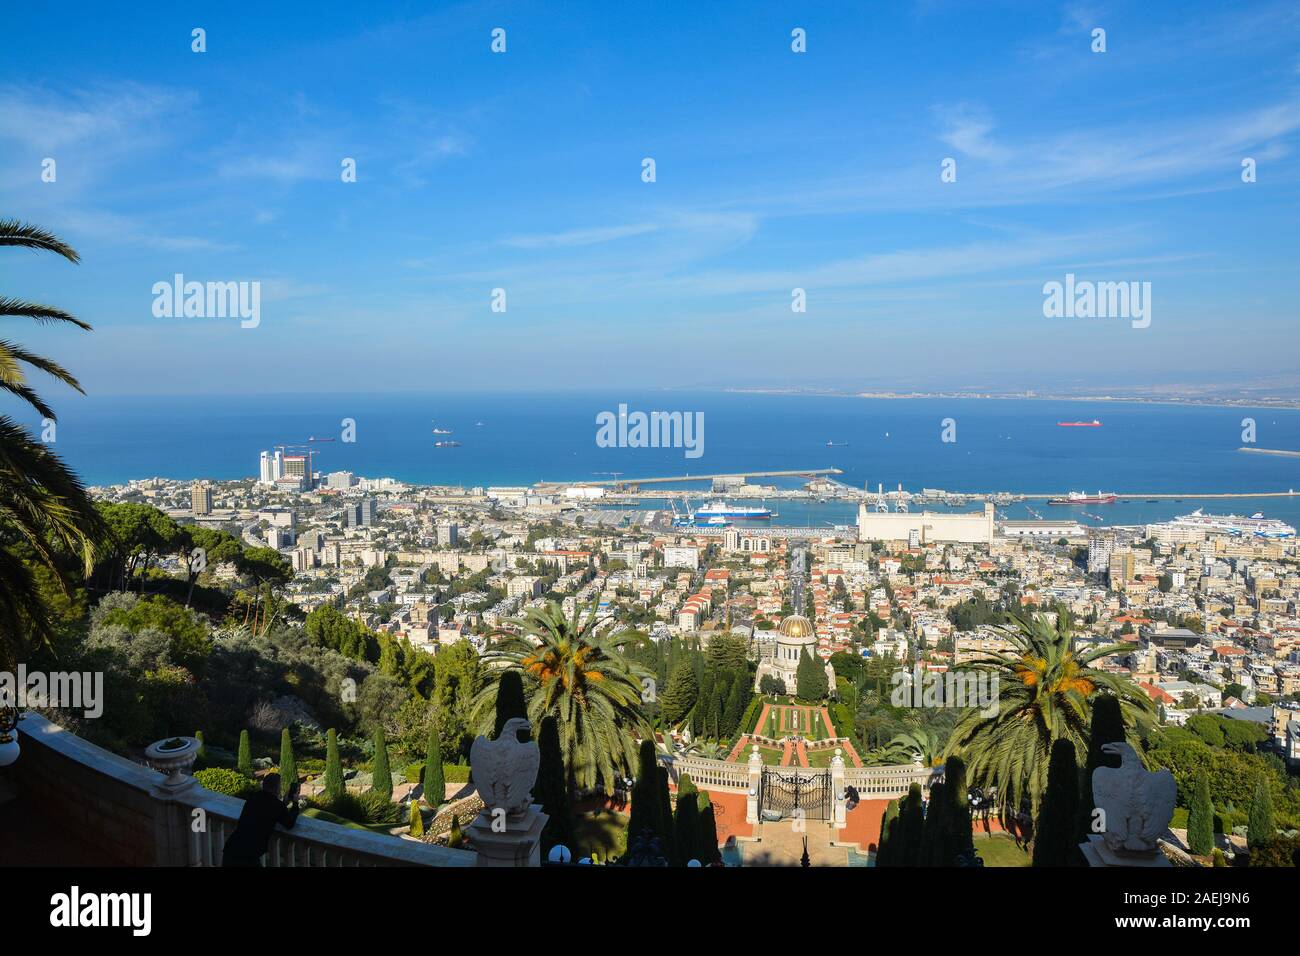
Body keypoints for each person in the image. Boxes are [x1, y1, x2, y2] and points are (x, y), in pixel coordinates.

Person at [221, 773, 300, 866]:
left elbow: (265, 809)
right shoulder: (276, 805)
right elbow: (289, 823)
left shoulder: (253, 797)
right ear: (276, 788)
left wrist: (283, 803)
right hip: (247, 856)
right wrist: (295, 804)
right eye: (280, 786)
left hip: (232, 848)